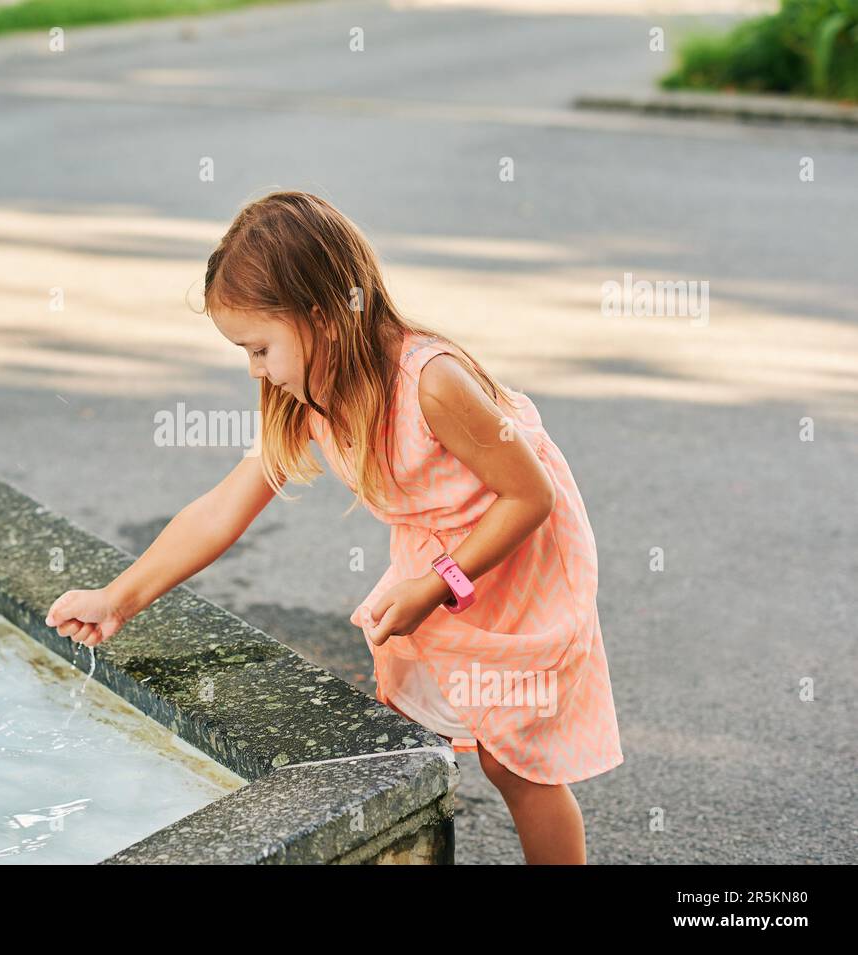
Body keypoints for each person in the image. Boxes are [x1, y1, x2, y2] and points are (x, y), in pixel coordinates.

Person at [46, 189, 624, 864]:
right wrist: (119, 598)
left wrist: (434, 586)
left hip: (513, 555)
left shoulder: (431, 382)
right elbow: (223, 507)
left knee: (514, 763)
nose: (255, 368)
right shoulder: (309, 390)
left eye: (259, 347)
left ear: (319, 317)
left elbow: (530, 496)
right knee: (401, 737)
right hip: (445, 554)